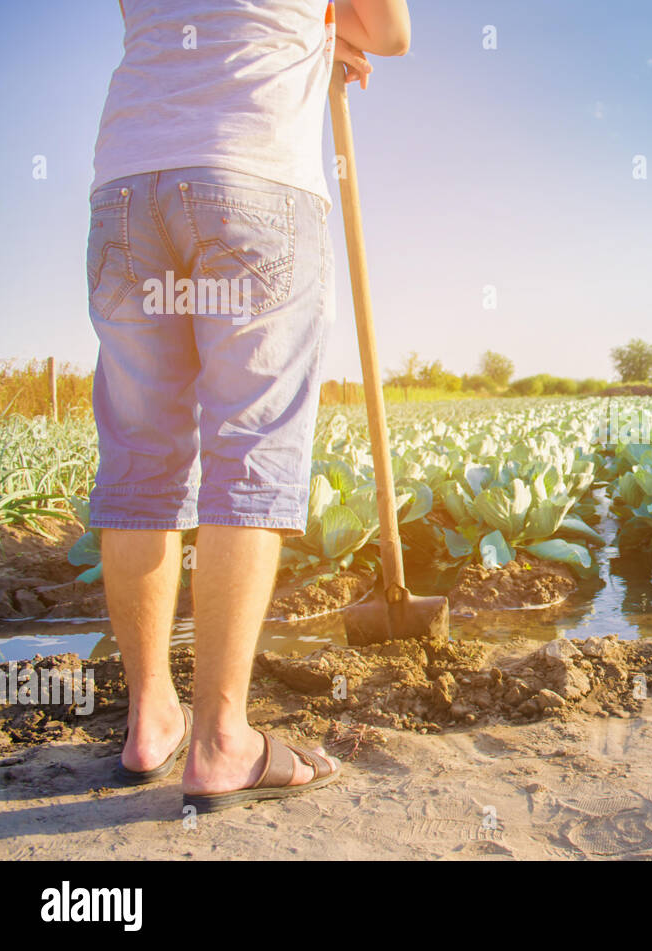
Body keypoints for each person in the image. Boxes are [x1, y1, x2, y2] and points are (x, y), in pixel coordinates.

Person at [88, 0, 410, 812]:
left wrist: (321, 32)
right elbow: (391, 32)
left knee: (141, 453)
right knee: (252, 442)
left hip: (127, 183)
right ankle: (222, 741)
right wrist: (328, 30)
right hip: (252, 172)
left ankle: (150, 720)